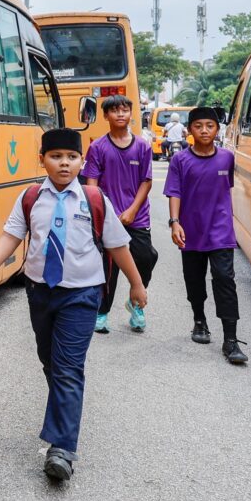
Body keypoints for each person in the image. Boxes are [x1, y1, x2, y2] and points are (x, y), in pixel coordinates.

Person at [0, 128, 148, 481]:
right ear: (41, 160)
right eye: (56, 156)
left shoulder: (94, 198)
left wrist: (136, 284)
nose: (64, 163)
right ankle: (63, 416)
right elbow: (13, 234)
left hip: (82, 294)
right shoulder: (29, 197)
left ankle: (62, 449)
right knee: (50, 362)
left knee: (68, 367)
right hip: (40, 291)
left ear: (81, 162)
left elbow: (118, 246)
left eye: (71, 157)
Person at [163, 106, 248, 365]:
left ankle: (230, 340)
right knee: (194, 280)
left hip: (221, 230)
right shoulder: (180, 160)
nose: (204, 130)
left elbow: (226, 190)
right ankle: (199, 320)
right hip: (191, 230)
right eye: (198, 126)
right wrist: (175, 223)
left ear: (217, 129)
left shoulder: (226, 158)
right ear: (189, 130)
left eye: (209, 126)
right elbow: (174, 192)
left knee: (224, 279)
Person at [82, 94, 158, 334]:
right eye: (115, 110)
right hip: (107, 218)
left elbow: (146, 182)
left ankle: (136, 302)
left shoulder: (143, 146)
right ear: (106, 116)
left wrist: (132, 209)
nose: (121, 114)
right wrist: (103, 213)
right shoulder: (97, 147)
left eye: (125, 109)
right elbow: (91, 185)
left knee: (145, 258)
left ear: (131, 113)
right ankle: (101, 313)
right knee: (108, 267)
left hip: (137, 216)